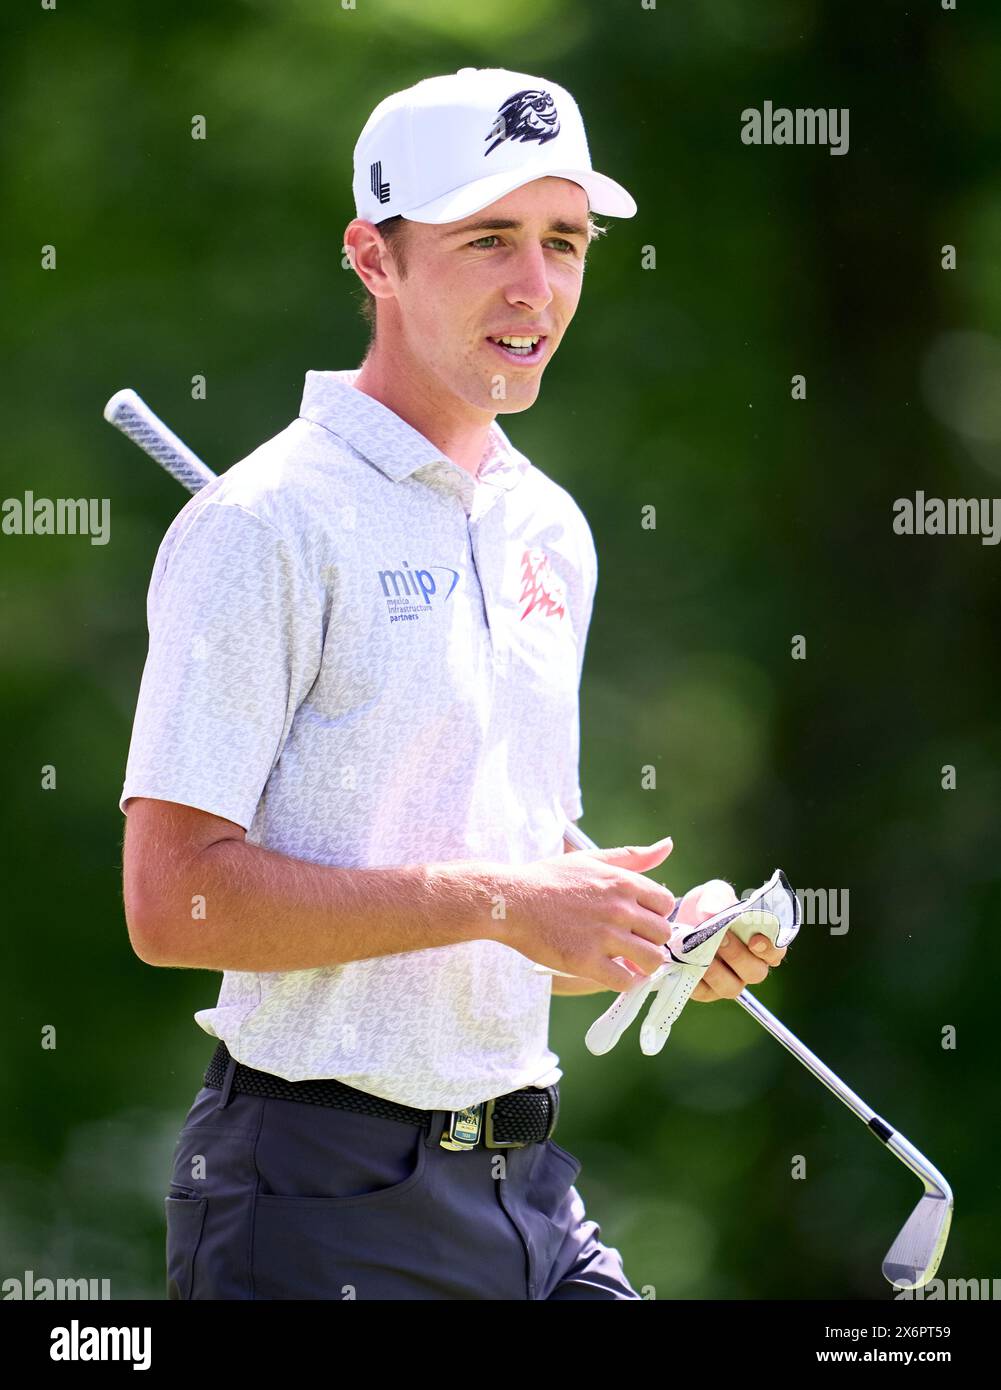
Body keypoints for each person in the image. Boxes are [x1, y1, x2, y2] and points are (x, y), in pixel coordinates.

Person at [120, 66, 787, 1301]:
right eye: (488, 238)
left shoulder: (550, 529)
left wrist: (639, 939)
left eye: (564, 241)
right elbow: (172, 907)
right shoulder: (262, 523)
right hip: (318, 1201)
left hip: (526, 1190)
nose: (535, 285)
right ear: (373, 259)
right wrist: (498, 899)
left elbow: (508, 919)